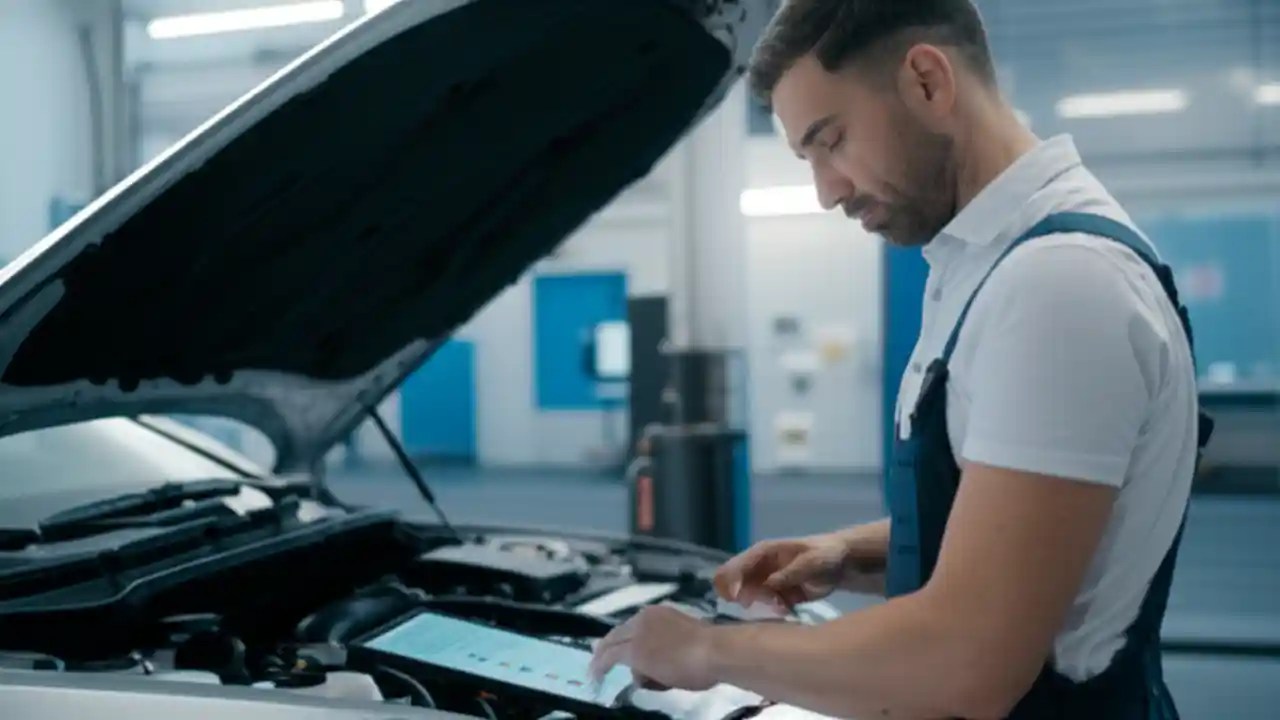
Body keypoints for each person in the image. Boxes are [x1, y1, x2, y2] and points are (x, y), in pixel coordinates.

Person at [589, 1, 1212, 718]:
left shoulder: (1059, 283)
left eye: (831, 141)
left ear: (926, 80)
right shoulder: (987, 265)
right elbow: (1035, 524)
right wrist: (851, 554)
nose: (827, 191)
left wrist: (705, 650)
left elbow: (966, 659)